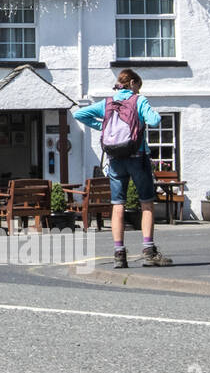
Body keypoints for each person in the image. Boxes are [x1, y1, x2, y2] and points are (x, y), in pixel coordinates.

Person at [73, 69, 171, 268]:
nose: (138, 90)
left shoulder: (108, 102)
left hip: (115, 158)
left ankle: (119, 254)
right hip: (137, 156)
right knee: (146, 204)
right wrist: (141, 116)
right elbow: (155, 121)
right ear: (133, 83)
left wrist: (104, 126)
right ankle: (149, 252)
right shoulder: (138, 100)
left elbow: (79, 114)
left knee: (118, 205)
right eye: (138, 86)